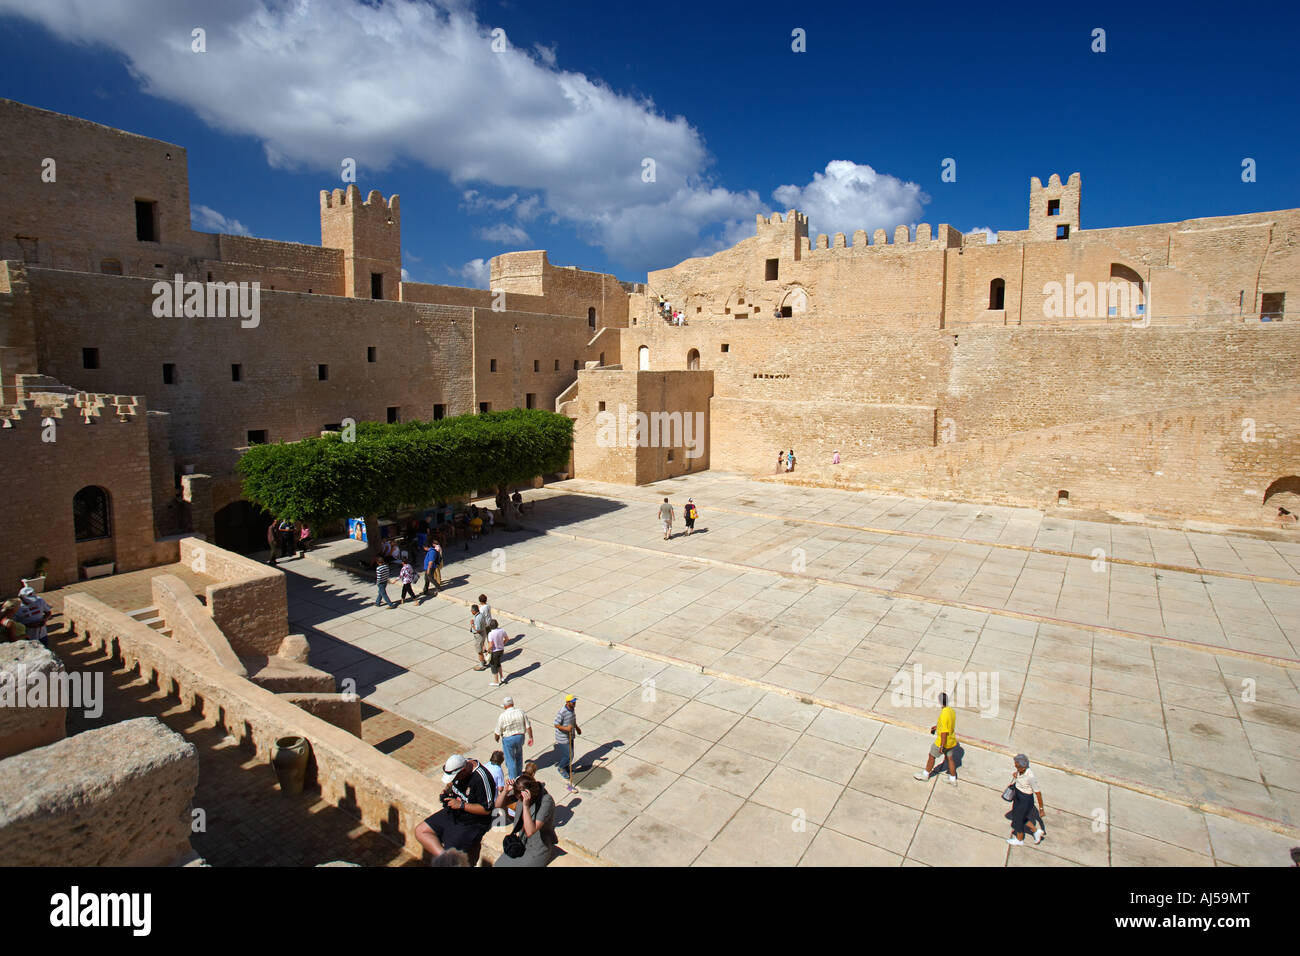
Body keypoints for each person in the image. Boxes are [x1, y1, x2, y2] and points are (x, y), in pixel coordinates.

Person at [415, 754, 498, 866]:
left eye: (455, 777)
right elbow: (452, 783)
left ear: (463, 771)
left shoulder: (482, 778)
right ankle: (447, 858)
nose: (454, 780)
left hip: (470, 822)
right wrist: (447, 789)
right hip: (453, 812)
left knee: (456, 857)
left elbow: (486, 809)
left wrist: (462, 805)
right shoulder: (463, 763)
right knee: (421, 831)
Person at [493, 776, 557, 867]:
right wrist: (505, 791)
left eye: (520, 798)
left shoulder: (546, 801)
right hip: (520, 842)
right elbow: (498, 805)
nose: (518, 800)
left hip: (537, 848)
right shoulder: (520, 793)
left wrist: (525, 806)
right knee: (498, 865)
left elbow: (530, 831)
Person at [914, 692, 958, 785]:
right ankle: (953, 779)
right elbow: (947, 725)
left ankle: (925, 775)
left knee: (931, 756)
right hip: (951, 741)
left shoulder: (943, 714)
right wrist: (937, 726)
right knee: (950, 759)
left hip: (941, 742)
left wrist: (942, 746)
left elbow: (944, 732)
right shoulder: (951, 711)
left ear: (940, 702)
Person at [1006, 754, 1045, 846]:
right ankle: (1036, 831)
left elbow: (1038, 793)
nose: (1016, 767)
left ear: (1023, 767)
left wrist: (1041, 809)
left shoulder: (1030, 776)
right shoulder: (1020, 770)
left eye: (1017, 766)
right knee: (1017, 815)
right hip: (1018, 795)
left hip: (1025, 799)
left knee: (1018, 819)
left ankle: (1019, 839)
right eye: (1015, 765)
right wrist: (1017, 775)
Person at [494, 696, 534, 782]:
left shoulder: (503, 716)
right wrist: (531, 737)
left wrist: (497, 738)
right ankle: (519, 774)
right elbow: (528, 726)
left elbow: (497, 731)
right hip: (520, 737)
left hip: (508, 739)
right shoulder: (521, 712)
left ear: (505, 706)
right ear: (513, 703)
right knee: (519, 755)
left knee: (510, 759)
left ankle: (513, 779)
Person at [552, 694, 581, 781]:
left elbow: (573, 720)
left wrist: (577, 728)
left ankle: (567, 767)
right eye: (573, 702)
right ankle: (561, 767)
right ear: (567, 702)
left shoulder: (572, 709)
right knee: (569, 755)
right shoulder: (562, 712)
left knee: (571, 755)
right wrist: (566, 728)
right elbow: (556, 724)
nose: (574, 703)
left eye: (575, 702)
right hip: (562, 737)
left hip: (570, 735)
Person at [472, 597, 492, 670]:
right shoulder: (488, 605)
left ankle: (482, 663)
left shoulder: (481, 612)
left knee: (479, 649)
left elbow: (478, 629)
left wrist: (472, 625)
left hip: (484, 626)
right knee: (489, 639)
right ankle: (488, 652)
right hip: (488, 624)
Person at [486, 618, 507, 686]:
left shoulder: (490, 634)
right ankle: (502, 677)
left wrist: (488, 651)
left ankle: (496, 681)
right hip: (501, 650)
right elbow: (507, 639)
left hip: (495, 651)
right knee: (498, 663)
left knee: (493, 666)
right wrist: (502, 644)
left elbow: (491, 645)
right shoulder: (502, 630)